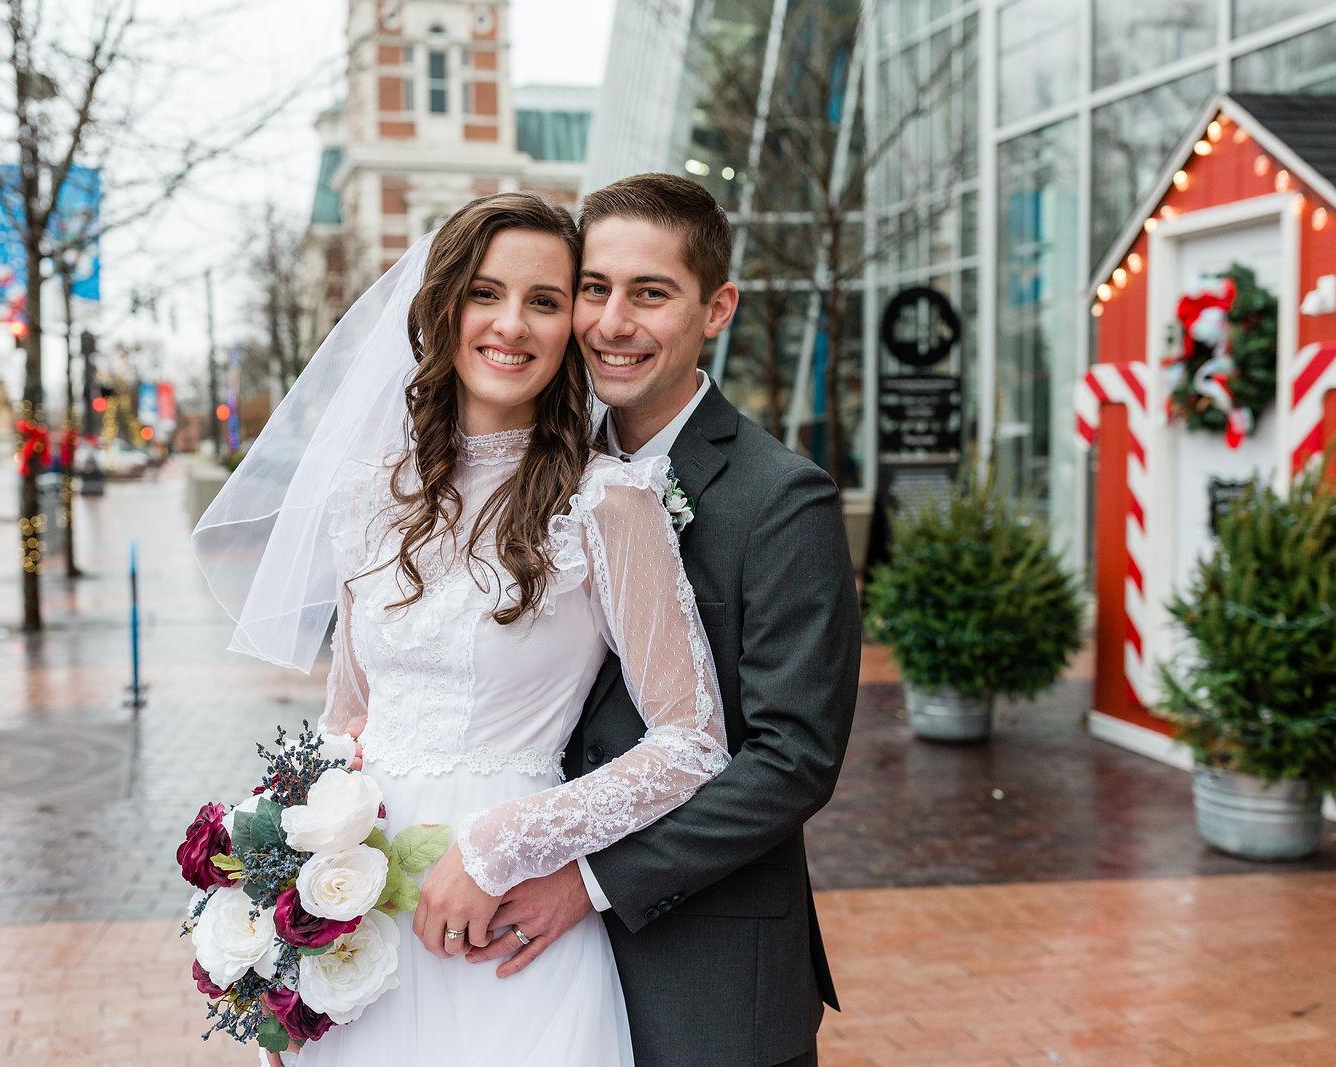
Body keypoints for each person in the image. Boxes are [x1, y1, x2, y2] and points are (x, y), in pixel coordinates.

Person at [193, 191, 729, 1066]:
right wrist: (286, 929)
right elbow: (347, 722)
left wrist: (500, 843)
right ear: (443, 307)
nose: (511, 324)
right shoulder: (369, 494)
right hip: (361, 916)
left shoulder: (609, 501)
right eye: (485, 292)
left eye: (545, 301)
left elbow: (691, 741)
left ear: (569, 329)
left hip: (508, 916)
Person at [465, 173, 862, 1067]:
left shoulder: (781, 499)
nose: (612, 322)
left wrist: (592, 881)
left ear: (715, 307)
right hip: (532, 966)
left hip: (705, 969)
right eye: (594, 289)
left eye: (651, 293)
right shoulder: (538, 473)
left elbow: (793, 759)